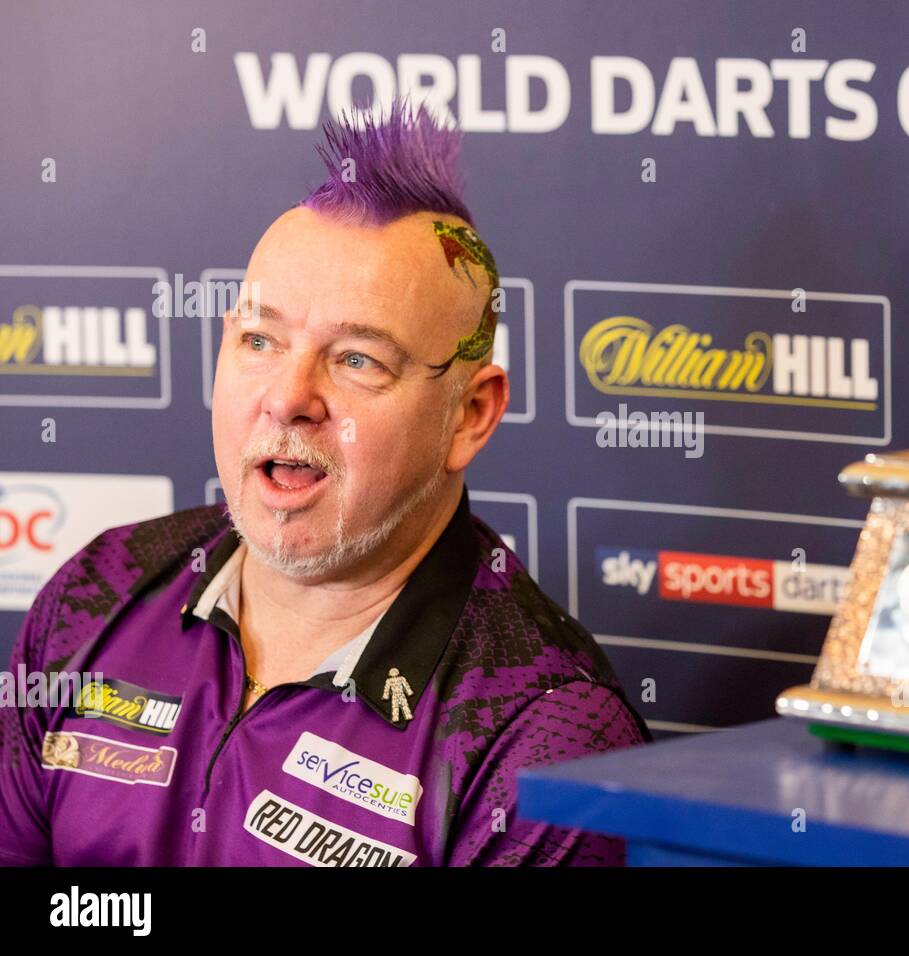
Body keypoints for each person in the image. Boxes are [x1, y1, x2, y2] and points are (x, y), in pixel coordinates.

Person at [0, 99, 651, 867]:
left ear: (470, 414)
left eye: (357, 359)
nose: (287, 397)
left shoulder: (549, 742)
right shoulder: (98, 593)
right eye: (259, 340)